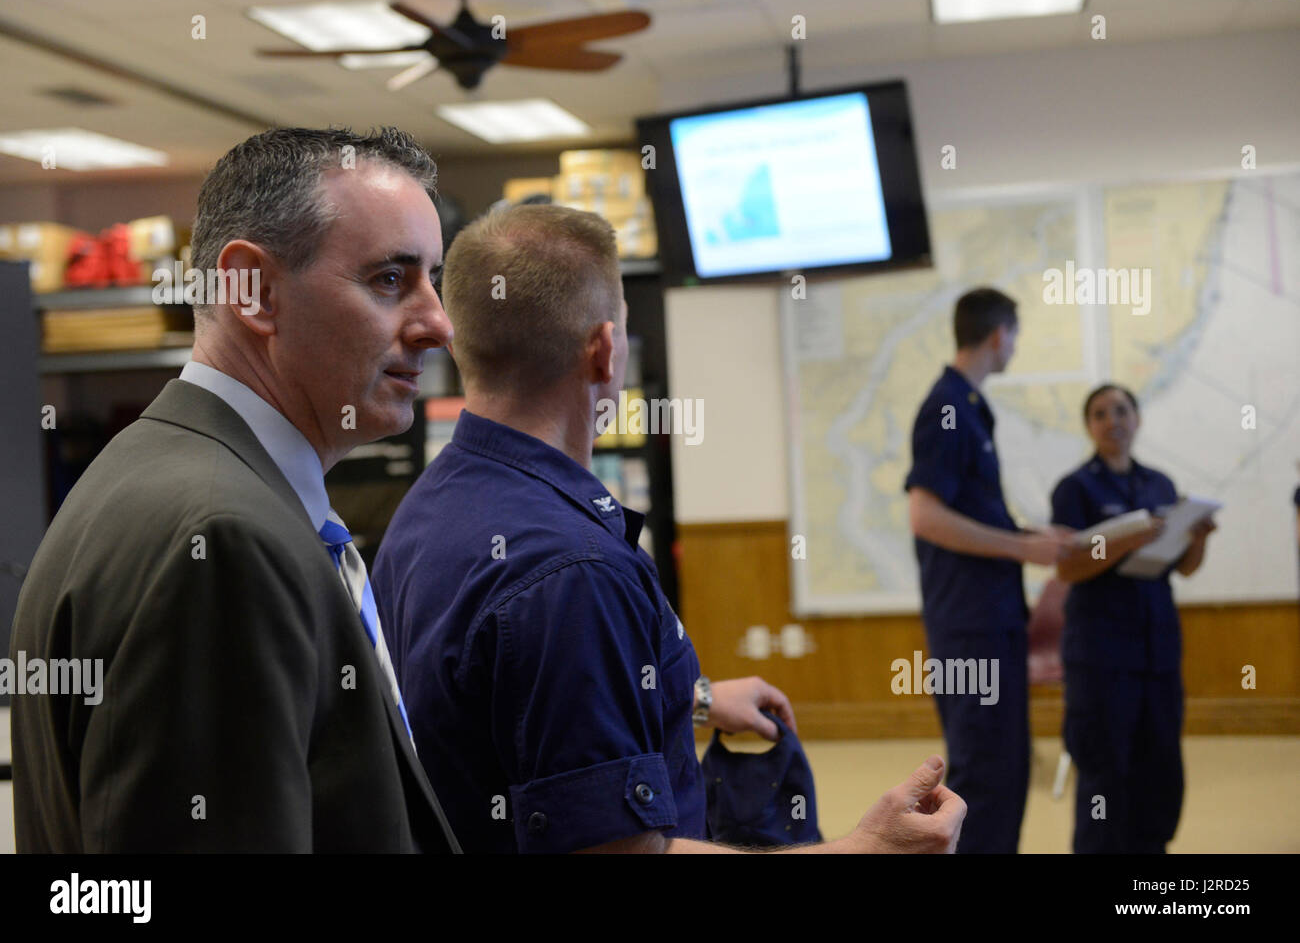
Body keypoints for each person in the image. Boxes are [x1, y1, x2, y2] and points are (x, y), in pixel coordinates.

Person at [372, 203, 966, 853]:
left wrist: (689, 697)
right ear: (605, 351)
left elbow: (502, 710)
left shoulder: (428, 505)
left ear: (458, 342)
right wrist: (868, 848)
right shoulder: (573, 573)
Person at [9, 127, 460, 852]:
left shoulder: (167, 472)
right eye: (390, 280)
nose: (438, 323)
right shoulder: (222, 537)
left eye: (434, 279)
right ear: (252, 291)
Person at [904, 287, 1076, 853]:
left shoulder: (972, 406)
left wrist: (1031, 537)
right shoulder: (947, 406)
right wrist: (1021, 549)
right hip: (970, 624)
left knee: (1005, 771)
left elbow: (972, 513)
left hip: (993, 621)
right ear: (1000, 334)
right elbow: (926, 516)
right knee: (983, 774)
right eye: (1016, 335)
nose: (1015, 346)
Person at [1051, 383, 1215, 853]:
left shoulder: (1160, 485)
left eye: (1121, 410)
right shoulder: (1075, 488)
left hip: (1158, 652)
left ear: (1137, 420)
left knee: (1160, 771)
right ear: (1089, 427)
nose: (1112, 420)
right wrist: (1127, 537)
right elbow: (1067, 566)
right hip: (1102, 657)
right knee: (1105, 775)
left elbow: (1181, 566)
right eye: (1100, 413)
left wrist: (1197, 537)